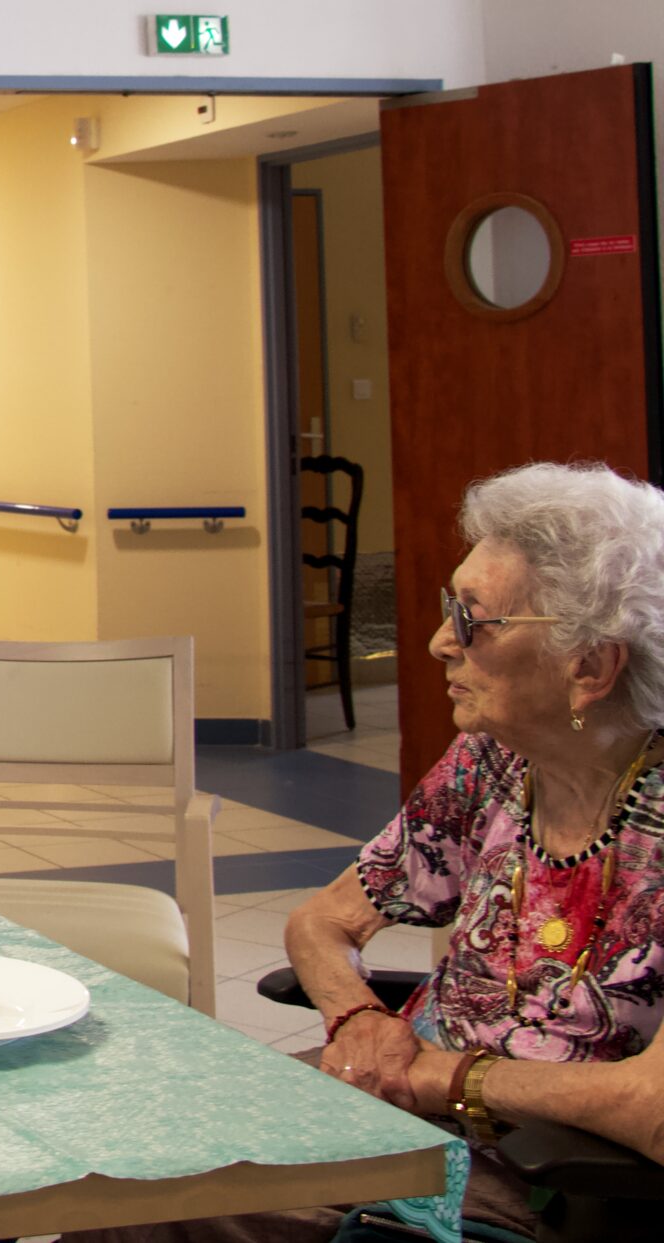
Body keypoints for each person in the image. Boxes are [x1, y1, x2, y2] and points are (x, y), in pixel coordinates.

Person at [65, 461, 664, 1243]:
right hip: (397, 1115)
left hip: (530, 1183)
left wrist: (449, 1077)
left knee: (141, 1210)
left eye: (475, 618)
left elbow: (653, 1107)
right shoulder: (492, 763)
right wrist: (356, 1018)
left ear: (589, 667)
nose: (439, 640)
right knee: (126, 1158)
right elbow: (322, 922)